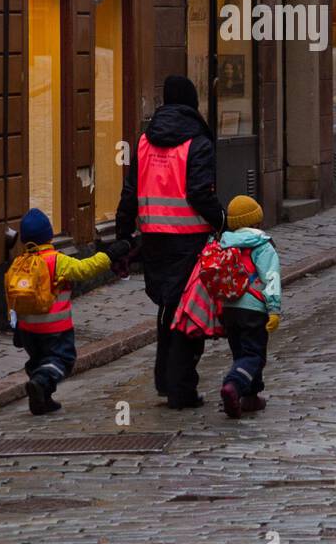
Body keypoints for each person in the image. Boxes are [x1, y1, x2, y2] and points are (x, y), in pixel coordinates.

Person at [115, 75, 225, 409]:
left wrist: (122, 234)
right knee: (186, 313)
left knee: (167, 309)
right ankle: (181, 388)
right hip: (189, 241)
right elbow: (198, 192)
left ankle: (165, 379)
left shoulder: (146, 141)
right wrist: (221, 219)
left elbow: (131, 192)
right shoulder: (198, 142)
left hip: (154, 242)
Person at [11, 207, 129, 415]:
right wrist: (109, 255)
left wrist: (16, 326)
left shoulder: (19, 264)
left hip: (28, 329)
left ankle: (42, 399)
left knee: (38, 360)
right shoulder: (55, 260)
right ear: (49, 236)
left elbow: (11, 296)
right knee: (62, 360)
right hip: (55, 328)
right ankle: (41, 382)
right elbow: (85, 269)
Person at [218, 195, 281, 419]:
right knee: (254, 355)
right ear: (257, 221)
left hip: (229, 309)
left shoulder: (224, 243)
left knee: (240, 353)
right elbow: (271, 278)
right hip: (253, 308)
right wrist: (274, 309)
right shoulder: (263, 245)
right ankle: (233, 386)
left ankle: (250, 397)